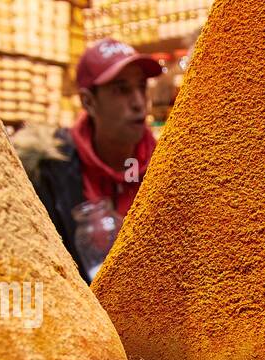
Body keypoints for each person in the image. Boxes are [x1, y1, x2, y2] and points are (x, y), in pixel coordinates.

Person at [24, 39, 162, 281]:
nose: (139, 103)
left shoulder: (163, 166)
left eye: (141, 87)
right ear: (88, 101)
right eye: (121, 89)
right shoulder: (50, 173)